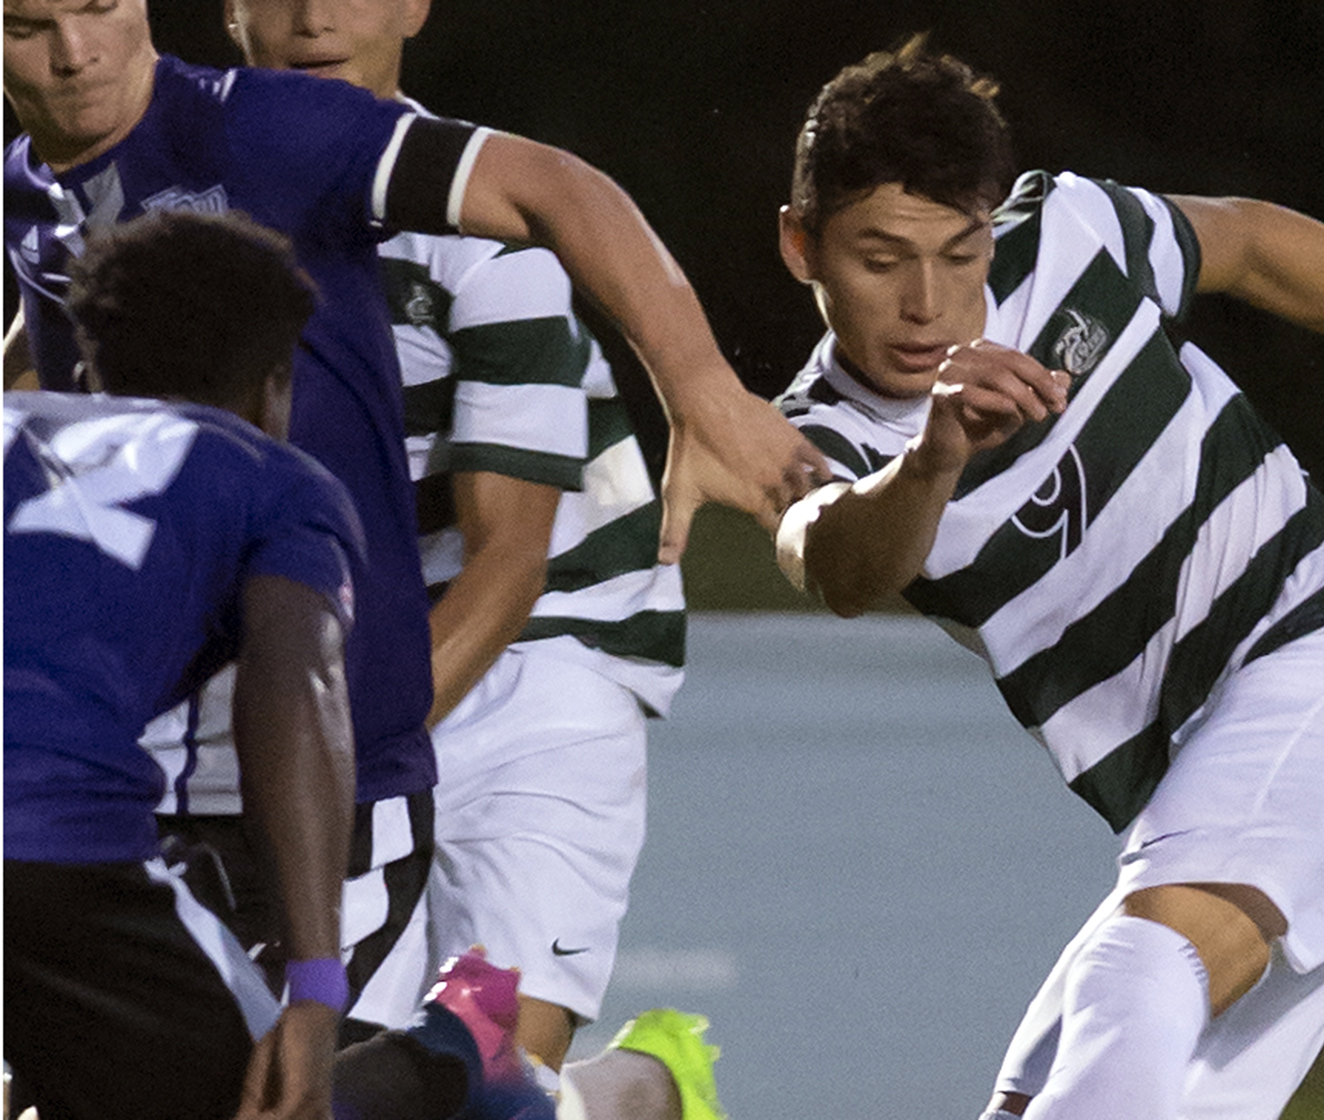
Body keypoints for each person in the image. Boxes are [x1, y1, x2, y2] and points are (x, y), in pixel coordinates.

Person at [770, 40, 1324, 1120]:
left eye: (959, 255)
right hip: (1201, 794)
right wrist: (932, 456)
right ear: (801, 249)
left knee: (1137, 973)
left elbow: (1244, 243)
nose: (930, 303)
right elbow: (836, 562)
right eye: (882, 260)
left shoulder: (1068, 234)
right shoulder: (813, 435)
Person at [2, 0, 824, 1026]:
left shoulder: (302, 146)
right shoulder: (41, 197)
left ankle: (607, 1074)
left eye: (94, 9)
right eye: (30, 22)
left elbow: (513, 555)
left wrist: (702, 390)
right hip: (317, 663)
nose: (74, 52)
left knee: (474, 1040)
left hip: (533, 648)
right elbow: (58, 361)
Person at [218, 1, 722, 1105]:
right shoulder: (177, 209)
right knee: (350, 1082)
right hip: (342, 665)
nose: (313, 19)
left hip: (547, 641)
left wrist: (326, 777)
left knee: (486, 1072)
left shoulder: (478, 215)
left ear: (414, 4)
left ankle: (643, 1081)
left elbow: (511, 566)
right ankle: (624, 1097)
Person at [4, 208, 356, 1120]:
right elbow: (298, 684)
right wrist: (316, 986)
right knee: (268, 1098)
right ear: (275, 387)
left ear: (86, 371)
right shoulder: (272, 478)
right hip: (48, 850)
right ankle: (467, 1055)